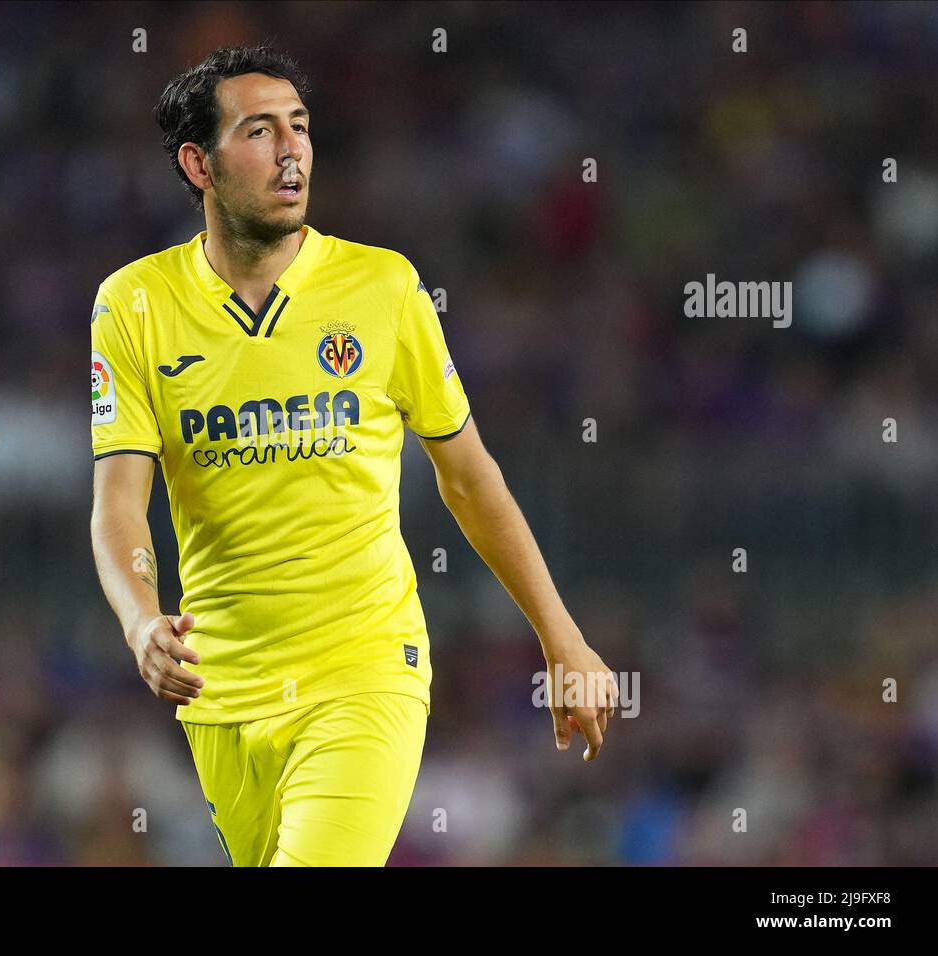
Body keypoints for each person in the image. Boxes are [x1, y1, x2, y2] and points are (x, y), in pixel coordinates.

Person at [90, 45, 616, 866]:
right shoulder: (135, 305)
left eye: (299, 127)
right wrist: (139, 621)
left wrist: (563, 638)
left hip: (365, 668)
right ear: (199, 163)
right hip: (220, 687)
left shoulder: (383, 289)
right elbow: (119, 499)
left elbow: (470, 478)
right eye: (259, 132)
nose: (292, 150)